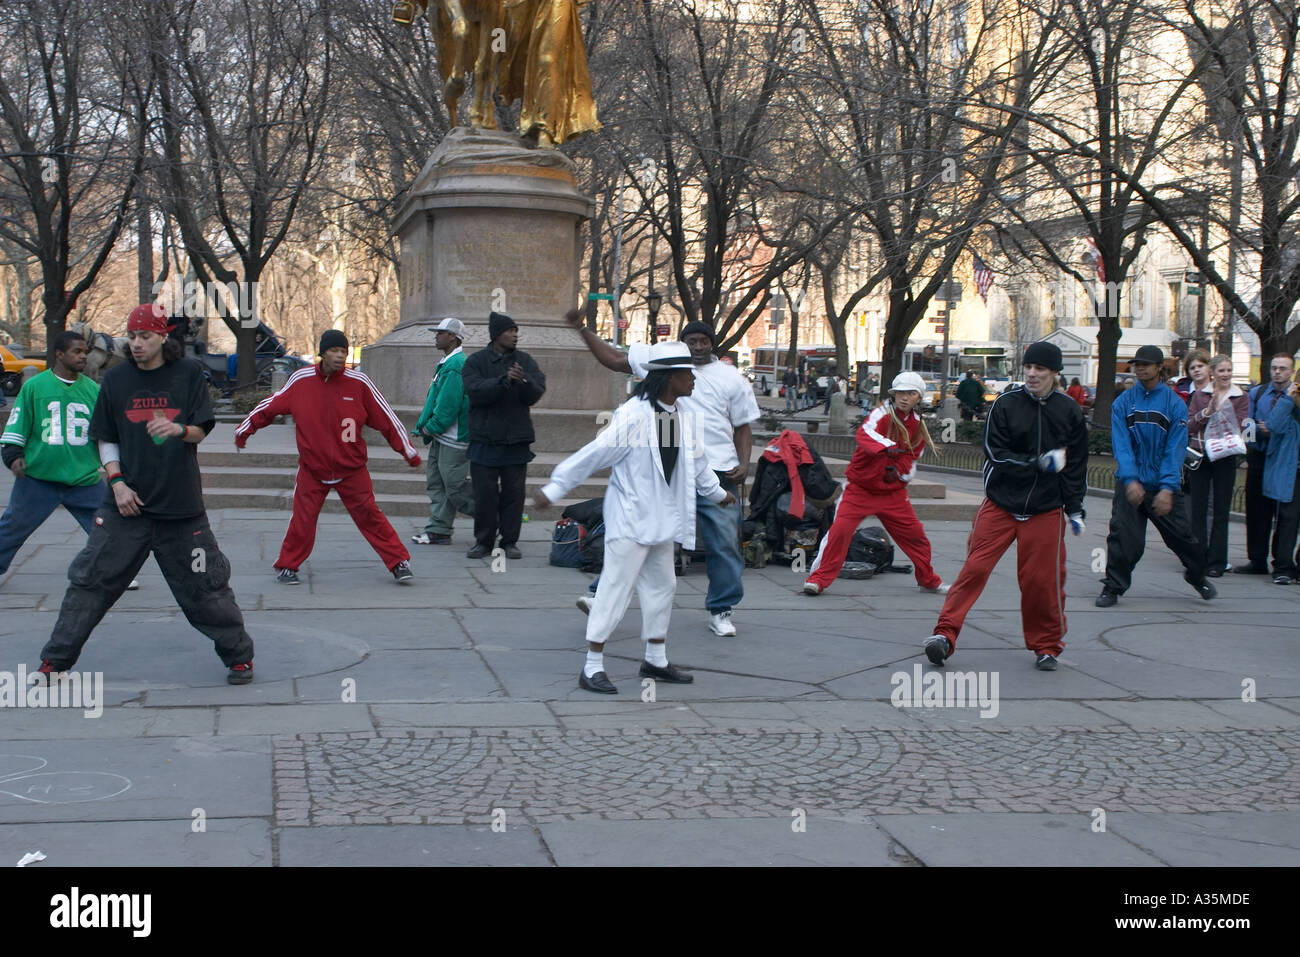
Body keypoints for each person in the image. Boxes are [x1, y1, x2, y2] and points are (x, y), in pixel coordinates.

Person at [33, 303, 254, 685]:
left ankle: (238, 657)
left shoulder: (186, 374)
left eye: (145, 337)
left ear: (163, 337)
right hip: (126, 509)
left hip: (182, 511)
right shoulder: (116, 380)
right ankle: (55, 660)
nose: (136, 343)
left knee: (207, 588)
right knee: (89, 584)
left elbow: (201, 429)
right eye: (132, 336)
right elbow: (105, 437)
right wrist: (116, 484)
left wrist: (177, 430)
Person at [533, 342, 735, 694]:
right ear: (668, 377)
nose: (693, 379)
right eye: (687, 373)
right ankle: (592, 665)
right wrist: (554, 488)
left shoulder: (678, 414)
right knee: (614, 590)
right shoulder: (635, 416)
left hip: (662, 520)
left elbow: (695, 462)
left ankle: (655, 659)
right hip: (631, 519)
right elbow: (594, 454)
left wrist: (718, 493)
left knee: (663, 588)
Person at [567, 310, 758, 636]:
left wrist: (744, 462)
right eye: (691, 341)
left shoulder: (732, 379)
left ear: (713, 344)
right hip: (672, 463)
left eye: (704, 341)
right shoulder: (664, 363)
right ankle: (601, 595)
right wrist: (583, 329)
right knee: (645, 534)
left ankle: (721, 609)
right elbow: (613, 359)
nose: (697, 346)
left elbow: (742, 427)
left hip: (718, 468)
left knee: (724, 543)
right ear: (682, 345)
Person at [922, 341, 1089, 672]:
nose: (1032, 373)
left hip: (1044, 508)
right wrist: (1037, 464)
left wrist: (1075, 508)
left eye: (1040, 369)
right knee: (974, 570)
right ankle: (943, 636)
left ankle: (1047, 645)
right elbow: (995, 455)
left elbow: (1076, 465)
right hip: (1001, 503)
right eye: (1028, 367)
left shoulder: (1069, 411)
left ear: (1055, 373)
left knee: (1043, 581)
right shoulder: (1005, 404)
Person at [235, 330, 422, 585]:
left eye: (344, 352)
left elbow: (387, 419)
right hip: (313, 469)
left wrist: (408, 451)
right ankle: (287, 566)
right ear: (323, 353)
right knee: (303, 520)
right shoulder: (301, 380)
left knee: (370, 515)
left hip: (352, 469)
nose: (340, 356)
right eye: (335, 351)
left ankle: (399, 562)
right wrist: (245, 431)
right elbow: (270, 406)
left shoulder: (359, 383)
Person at [0, 331, 137, 591]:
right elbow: (18, 426)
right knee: (13, 525)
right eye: (77, 351)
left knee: (106, 525)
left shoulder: (93, 390)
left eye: (85, 351)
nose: (83, 356)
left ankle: (116, 571)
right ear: (59, 354)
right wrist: (13, 456)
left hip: (82, 477)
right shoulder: (34, 387)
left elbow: (106, 433)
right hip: (38, 477)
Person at [802, 372, 948, 596]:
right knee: (839, 532)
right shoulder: (881, 414)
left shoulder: (918, 426)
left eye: (911, 393)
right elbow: (865, 434)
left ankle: (928, 580)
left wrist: (900, 474)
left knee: (916, 536)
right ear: (893, 394)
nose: (905, 398)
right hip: (860, 490)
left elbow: (912, 458)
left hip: (893, 494)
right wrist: (887, 448)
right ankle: (818, 579)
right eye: (901, 393)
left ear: (919, 398)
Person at [1096, 345, 1215, 607]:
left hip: (1163, 485)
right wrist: (1130, 479)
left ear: (1159, 368)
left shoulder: (1174, 404)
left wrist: (1167, 488)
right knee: (1124, 539)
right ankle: (1113, 586)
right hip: (1131, 485)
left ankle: (1197, 577)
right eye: (1137, 364)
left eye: (1146, 364)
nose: (1140, 368)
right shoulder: (1123, 403)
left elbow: (1175, 449)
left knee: (1184, 539)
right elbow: (1122, 445)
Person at [462, 311, 546, 560]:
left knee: (514, 494)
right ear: (496, 335)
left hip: (515, 439)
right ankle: (484, 541)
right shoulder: (475, 361)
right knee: (484, 494)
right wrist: (503, 380)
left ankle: (510, 541)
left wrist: (523, 381)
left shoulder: (525, 361)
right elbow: (475, 391)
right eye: (510, 331)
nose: (515, 335)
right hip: (484, 439)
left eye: (516, 331)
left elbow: (536, 392)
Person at [412, 317, 475, 545]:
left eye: (440, 333)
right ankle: (439, 529)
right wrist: (427, 427)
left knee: (455, 488)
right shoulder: (448, 362)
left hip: (454, 439)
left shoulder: (456, 365)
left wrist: (430, 426)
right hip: (443, 436)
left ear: (453, 337)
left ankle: (495, 515)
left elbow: (448, 406)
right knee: (437, 484)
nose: (436, 336)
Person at [1185, 354, 1248, 577]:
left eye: (1229, 370)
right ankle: (1198, 557)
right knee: (1198, 509)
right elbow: (1190, 425)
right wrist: (1207, 412)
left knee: (1221, 510)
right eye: (1221, 371)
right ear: (1213, 372)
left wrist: (1226, 415)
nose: (1225, 375)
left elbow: (1243, 425)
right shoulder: (1201, 396)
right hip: (1201, 455)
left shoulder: (1240, 396)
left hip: (1225, 456)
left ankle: (1217, 561)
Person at [1239, 353, 1298, 575]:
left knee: (1283, 512)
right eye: (1274, 368)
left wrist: (1271, 428)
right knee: (1256, 512)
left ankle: (1280, 560)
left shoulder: (1295, 394)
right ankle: (1256, 560)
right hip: (1260, 457)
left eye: (1283, 368)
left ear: (1291, 371)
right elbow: (1246, 426)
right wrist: (1260, 433)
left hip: (1284, 458)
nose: (1277, 372)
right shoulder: (1258, 393)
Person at [1261, 370, 1300, 582]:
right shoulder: (1289, 404)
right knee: (1288, 518)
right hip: (1292, 470)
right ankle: (1283, 567)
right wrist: (1288, 399)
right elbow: (1273, 425)